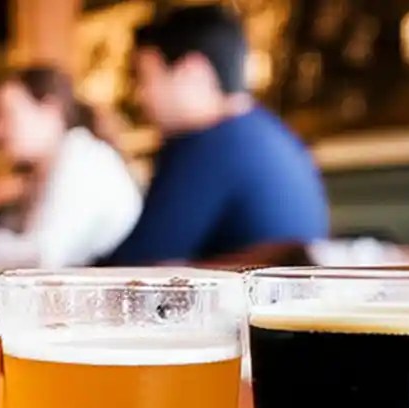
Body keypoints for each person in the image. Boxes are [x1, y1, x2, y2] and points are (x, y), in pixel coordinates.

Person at [99, 5, 328, 266]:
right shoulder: (268, 135)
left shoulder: (210, 145)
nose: (141, 96)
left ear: (192, 72)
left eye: (145, 78)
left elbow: (132, 266)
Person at [0, 66, 141, 267]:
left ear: (50, 110)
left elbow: (41, 257)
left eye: (6, 115)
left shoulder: (82, 161)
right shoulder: (49, 167)